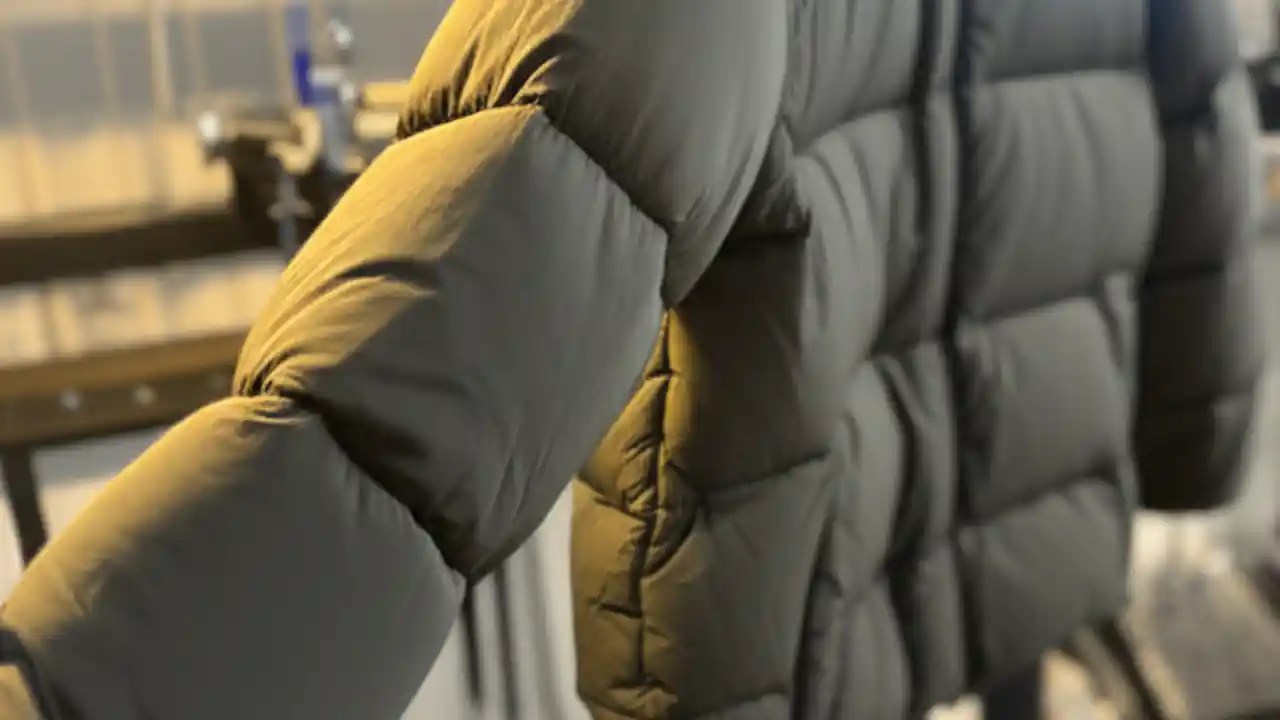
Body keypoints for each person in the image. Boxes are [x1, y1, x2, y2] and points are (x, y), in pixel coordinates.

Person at [0, 0, 1264, 718]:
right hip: (1017, 509)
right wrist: (1185, 443)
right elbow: (1201, 162)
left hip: (791, 604)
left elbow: (369, 435)